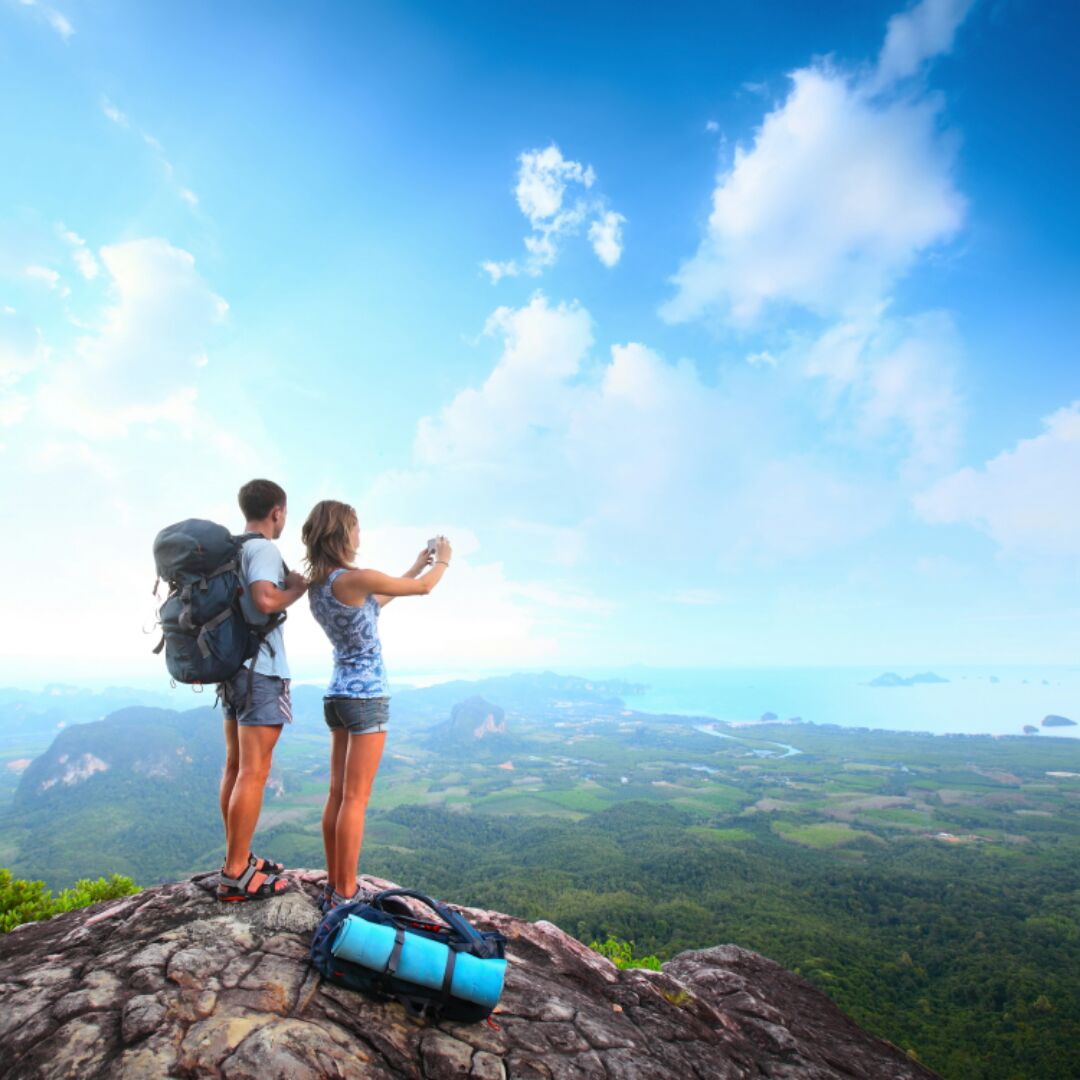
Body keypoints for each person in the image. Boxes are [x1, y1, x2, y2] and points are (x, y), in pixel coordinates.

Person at [302, 500, 451, 909]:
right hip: (366, 698)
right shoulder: (356, 577)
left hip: (336, 697)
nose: (359, 535)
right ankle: (346, 893)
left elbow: (375, 604)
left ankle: (335, 884)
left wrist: (416, 565)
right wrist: (443, 563)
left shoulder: (320, 585)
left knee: (336, 794)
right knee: (355, 799)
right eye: (355, 527)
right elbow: (423, 591)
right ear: (342, 533)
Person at [217, 478, 308, 902]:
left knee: (236, 767)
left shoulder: (232, 549)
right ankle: (236, 872)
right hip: (260, 671)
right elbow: (266, 600)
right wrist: (297, 589)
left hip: (233, 670)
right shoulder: (263, 549)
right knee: (254, 771)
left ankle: (240, 856)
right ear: (277, 511)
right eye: (284, 513)